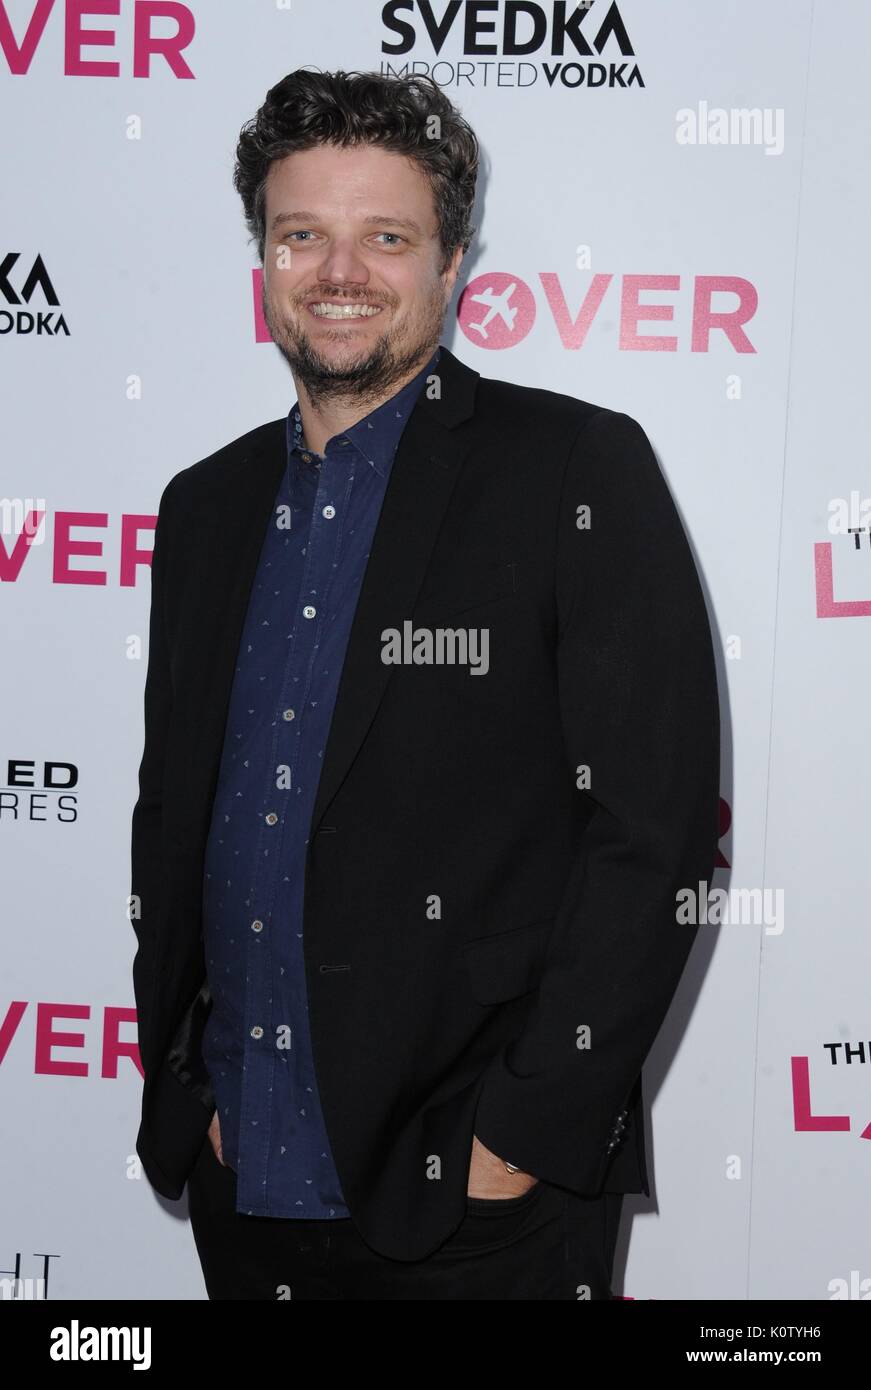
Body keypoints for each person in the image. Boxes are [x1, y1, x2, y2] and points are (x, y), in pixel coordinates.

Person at [130, 69, 720, 1300]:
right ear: (265, 258)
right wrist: (191, 1084)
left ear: (451, 262)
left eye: (384, 237)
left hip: (469, 1205)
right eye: (303, 234)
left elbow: (651, 831)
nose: (339, 271)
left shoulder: (573, 467)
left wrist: (516, 1135)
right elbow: (172, 813)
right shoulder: (204, 507)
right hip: (244, 1181)